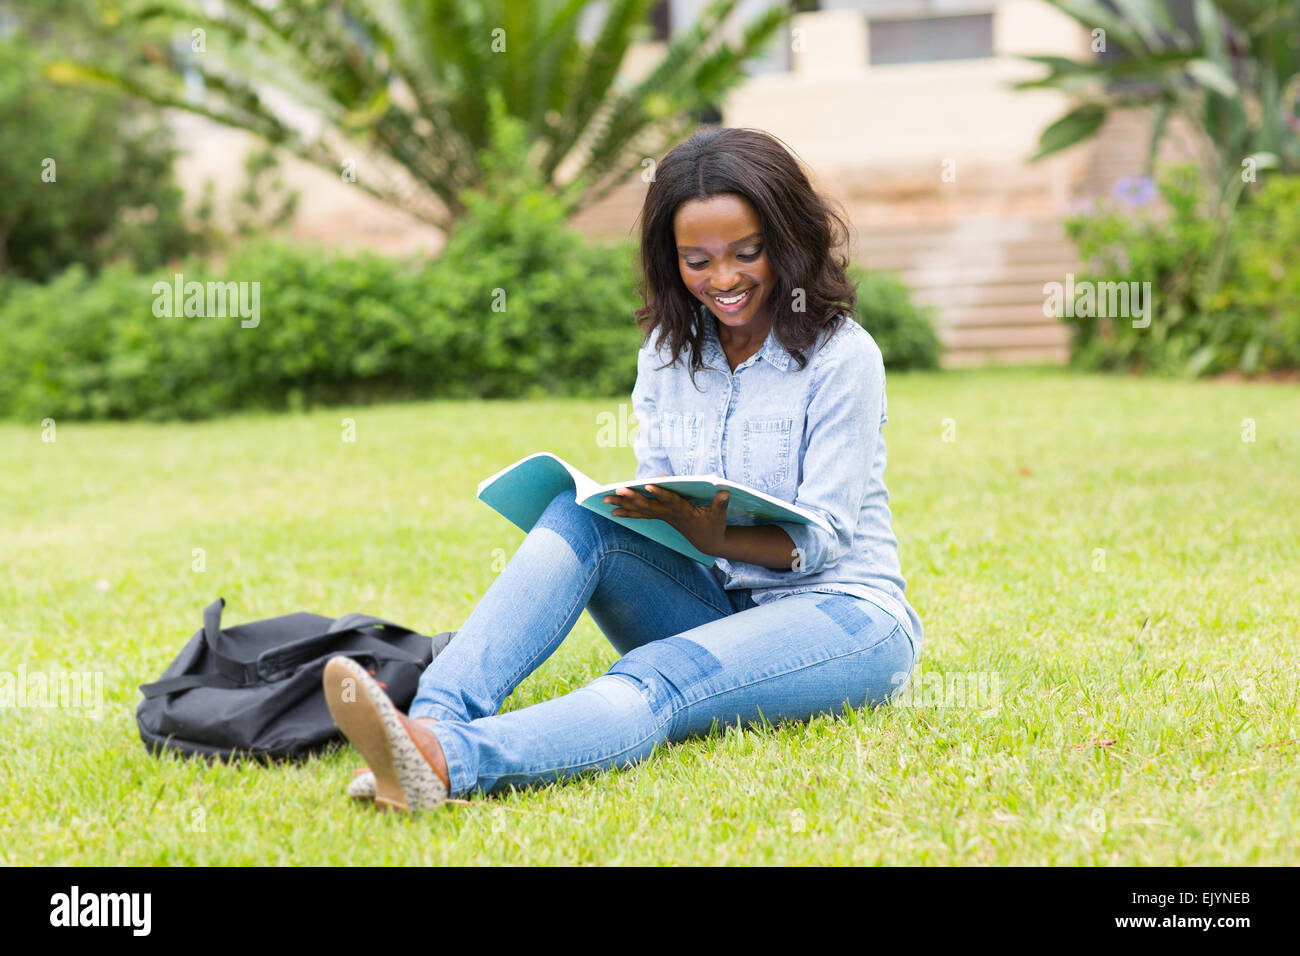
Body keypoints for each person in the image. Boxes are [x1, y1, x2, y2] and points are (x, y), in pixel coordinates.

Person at [323, 126, 924, 814]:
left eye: (746, 254)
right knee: (580, 513)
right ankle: (431, 720)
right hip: (713, 602)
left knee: (655, 674)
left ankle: (448, 762)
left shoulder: (842, 358)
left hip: (841, 618)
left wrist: (713, 534)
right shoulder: (669, 357)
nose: (722, 279)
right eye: (696, 260)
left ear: (787, 241)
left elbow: (824, 539)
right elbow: (662, 500)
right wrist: (661, 519)